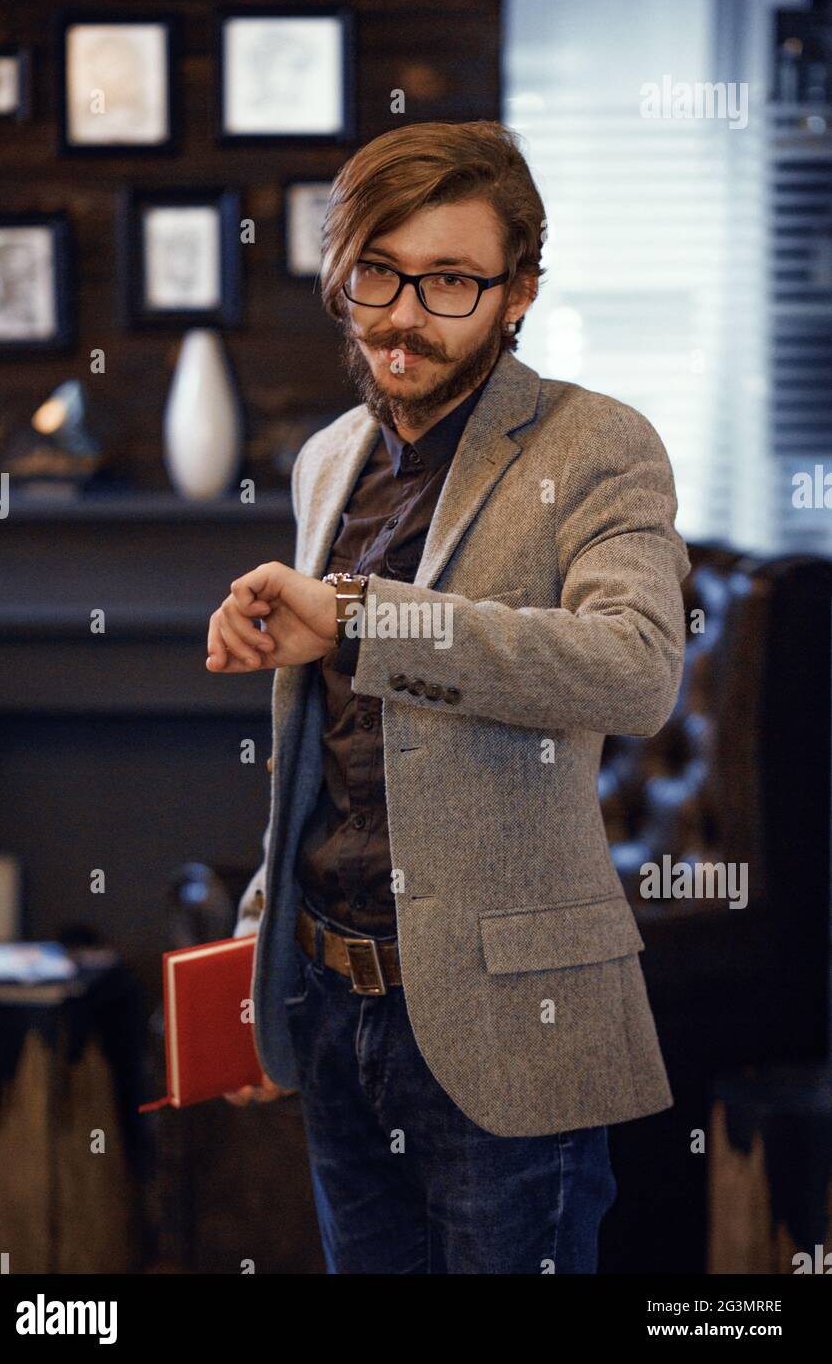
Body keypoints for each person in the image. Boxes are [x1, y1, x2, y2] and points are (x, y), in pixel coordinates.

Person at [208, 120, 691, 1274]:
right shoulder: (330, 457)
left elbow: (634, 667)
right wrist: (254, 942)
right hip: (329, 997)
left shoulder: (598, 444)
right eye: (376, 271)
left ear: (517, 289)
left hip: (506, 1020)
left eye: (450, 282)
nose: (401, 314)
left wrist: (368, 619)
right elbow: (336, 746)